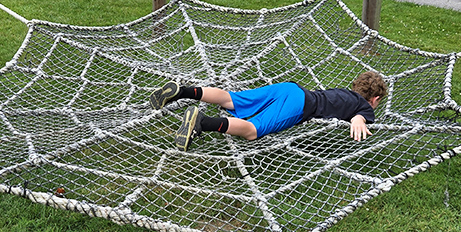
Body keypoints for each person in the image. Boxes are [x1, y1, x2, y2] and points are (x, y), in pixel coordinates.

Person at [150, 71, 388, 151]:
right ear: (375, 99)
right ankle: (202, 122)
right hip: (300, 104)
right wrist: (359, 120)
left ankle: (182, 91)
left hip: (290, 88)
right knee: (253, 130)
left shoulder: (344, 92)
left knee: (232, 99)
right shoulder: (364, 105)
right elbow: (361, 115)